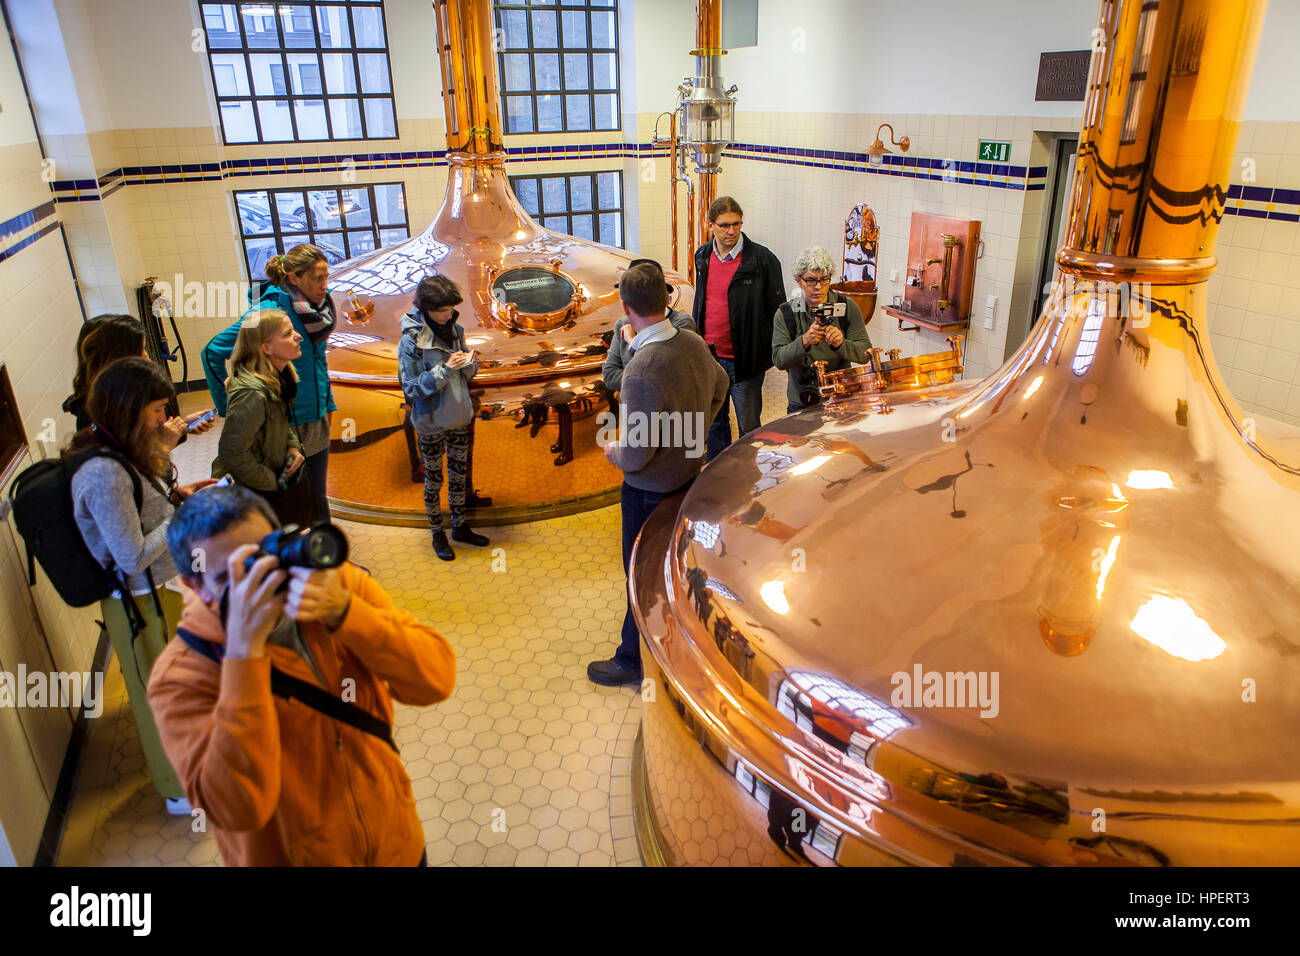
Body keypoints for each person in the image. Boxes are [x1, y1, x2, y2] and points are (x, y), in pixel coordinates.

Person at [146, 486, 456, 866]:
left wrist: (346, 613)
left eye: (264, 559)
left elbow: (435, 679)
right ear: (193, 585)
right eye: (235, 577)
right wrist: (244, 652)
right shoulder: (181, 675)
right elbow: (237, 809)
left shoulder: (335, 586)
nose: (258, 585)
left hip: (397, 844)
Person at [64, 357, 217, 812]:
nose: (162, 418)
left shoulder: (120, 449)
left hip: (161, 591)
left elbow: (143, 507)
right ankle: (179, 792)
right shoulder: (103, 473)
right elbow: (130, 556)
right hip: (139, 601)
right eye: (155, 409)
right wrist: (178, 514)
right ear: (129, 410)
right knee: (163, 700)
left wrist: (176, 493)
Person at [587, 264, 730, 686]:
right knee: (673, 565)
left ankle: (631, 659)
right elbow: (721, 386)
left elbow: (636, 452)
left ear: (625, 306)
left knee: (640, 573)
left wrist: (614, 452)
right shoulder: (691, 341)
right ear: (666, 299)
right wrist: (693, 432)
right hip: (689, 474)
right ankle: (677, 637)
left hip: (648, 490)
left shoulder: (642, 369)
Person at [202, 244, 336, 523]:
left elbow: (318, 362)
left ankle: (324, 552)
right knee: (290, 499)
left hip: (317, 415)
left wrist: (327, 402)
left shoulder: (320, 309)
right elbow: (212, 352)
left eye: (326, 276)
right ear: (293, 278)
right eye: (316, 278)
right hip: (285, 421)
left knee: (317, 494)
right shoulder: (267, 313)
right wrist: (228, 408)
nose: (325, 285)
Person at [397, 275, 490, 561]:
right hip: (431, 422)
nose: (449, 315)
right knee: (434, 480)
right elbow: (411, 387)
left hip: (460, 416)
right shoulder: (410, 341)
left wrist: (469, 364)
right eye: (442, 310)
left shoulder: (456, 328)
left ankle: (460, 527)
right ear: (426, 308)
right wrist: (446, 370)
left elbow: (466, 375)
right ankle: (437, 532)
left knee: (459, 477)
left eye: (451, 309)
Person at [691, 196, 786, 461]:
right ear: (710, 224)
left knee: (749, 429)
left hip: (744, 360)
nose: (731, 231)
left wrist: (771, 353)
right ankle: (719, 479)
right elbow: (703, 300)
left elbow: (778, 311)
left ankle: (747, 479)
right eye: (724, 225)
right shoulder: (703, 255)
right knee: (715, 424)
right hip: (710, 357)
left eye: (736, 224)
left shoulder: (762, 260)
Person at [212, 309, 315, 527]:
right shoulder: (252, 394)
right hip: (250, 492)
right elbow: (232, 453)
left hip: (266, 479)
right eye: (288, 333)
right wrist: (272, 483)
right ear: (265, 347)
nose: (298, 336)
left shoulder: (278, 377)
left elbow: (279, 421)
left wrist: (292, 447)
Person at [64, 313, 213, 441]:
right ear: (114, 358)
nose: (146, 358)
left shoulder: (118, 397)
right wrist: (165, 445)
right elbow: (134, 467)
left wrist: (182, 427)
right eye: (139, 350)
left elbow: (143, 441)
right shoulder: (96, 415)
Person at [772, 246, 872, 412]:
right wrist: (804, 341)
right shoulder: (786, 313)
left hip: (841, 397)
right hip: (802, 400)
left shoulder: (847, 308)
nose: (818, 287)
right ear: (798, 281)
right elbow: (779, 360)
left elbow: (865, 354)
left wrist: (841, 344)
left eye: (824, 280)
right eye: (811, 280)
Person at [602, 257, 696, 396]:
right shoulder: (623, 324)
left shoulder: (680, 322)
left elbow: (674, 376)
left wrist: (634, 342)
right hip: (634, 412)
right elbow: (609, 374)